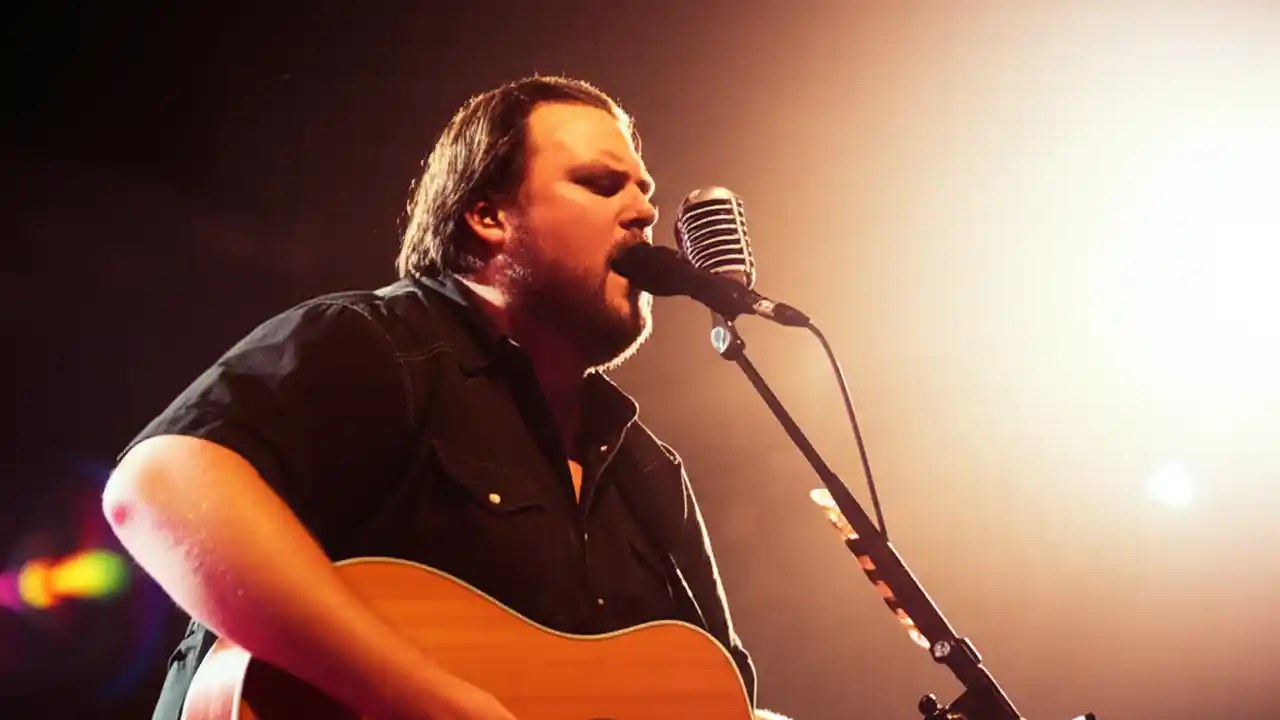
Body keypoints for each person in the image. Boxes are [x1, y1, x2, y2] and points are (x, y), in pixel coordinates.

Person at [104, 75, 787, 720]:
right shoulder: (380, 346)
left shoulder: (652, 476)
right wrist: (426, 702)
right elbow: (158, 487)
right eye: (601, 184)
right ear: (488, 216)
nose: (644, 212)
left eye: (643, 191)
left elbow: (718, 702)